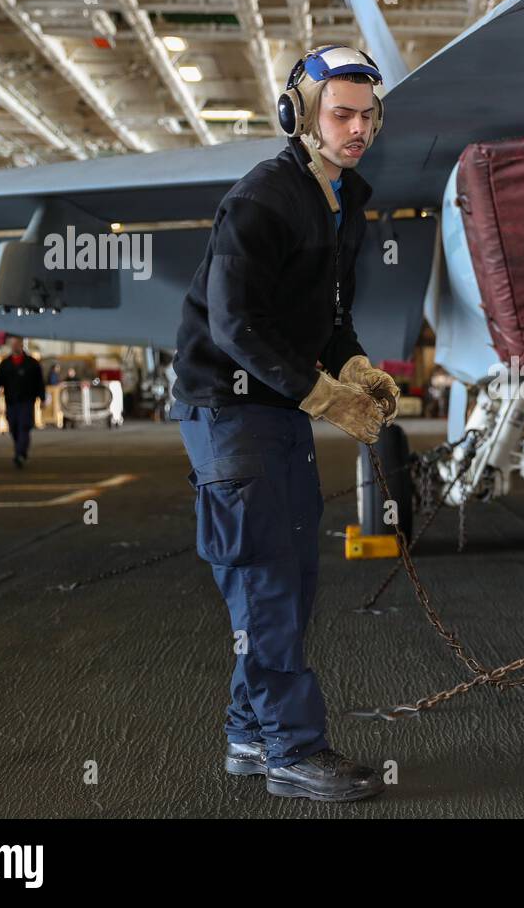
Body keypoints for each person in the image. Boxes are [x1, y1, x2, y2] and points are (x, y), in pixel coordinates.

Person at [171, 44, 400, 803]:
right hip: (229, 410)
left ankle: (249, 733)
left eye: (368, 115)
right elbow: (236, 324)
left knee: (293, 582)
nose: (358, 128)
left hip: (278, 410)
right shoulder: (261, 200)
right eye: (342, 114)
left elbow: (330, 315)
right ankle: (294, 751)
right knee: (265, 581)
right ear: (299, 116)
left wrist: (357, 365)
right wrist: (324, 395)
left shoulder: (346, 201)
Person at [0, 336, 46, 468]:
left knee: (24, 427)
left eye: (18, 344)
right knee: (14, 427)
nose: (16, 346)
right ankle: (20, 449)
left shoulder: (32, 363)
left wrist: (42, 398)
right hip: (11, 401)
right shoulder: (5, 364)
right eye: (14, 344)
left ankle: (20, 453)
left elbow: (39, 382)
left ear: (22, 346)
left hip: (27, 401)